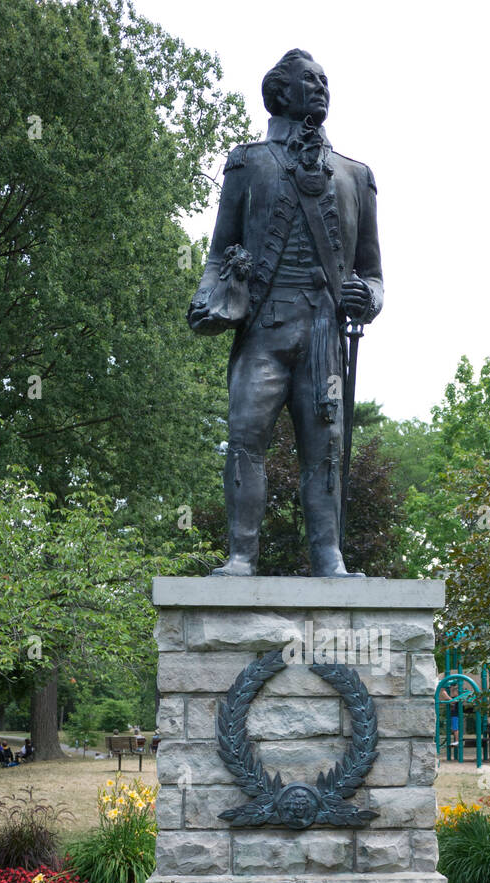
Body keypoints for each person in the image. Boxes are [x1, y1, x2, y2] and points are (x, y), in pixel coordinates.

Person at [187, 49, 383, 578]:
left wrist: (369, 296)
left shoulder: (355, 175)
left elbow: (373, 274)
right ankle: (241, 558)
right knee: (245, 436)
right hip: (263, 332)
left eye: (325, 80)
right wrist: (206, 300)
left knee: (327, 448)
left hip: (324, 335)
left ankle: (329, 560)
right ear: (280, 91)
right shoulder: (247, 163)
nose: (320, 87)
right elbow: (216, 253)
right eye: (308, 80)